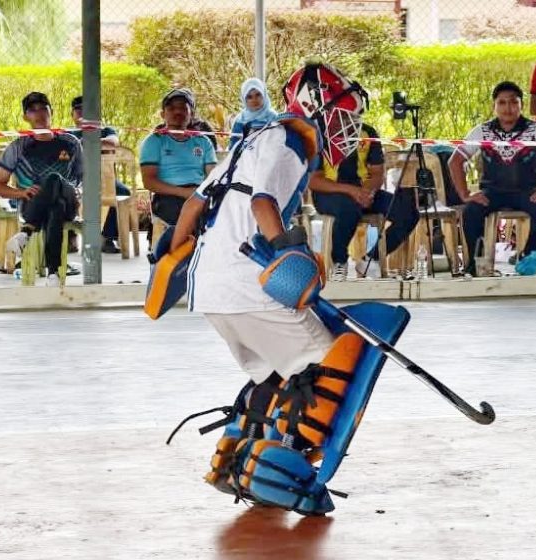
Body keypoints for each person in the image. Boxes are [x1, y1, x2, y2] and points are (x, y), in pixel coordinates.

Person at [165, 63, 402, 515]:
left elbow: (197, 201)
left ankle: (234, 458)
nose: (348, 130)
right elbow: (262, 201)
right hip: (244, 283)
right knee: (332, 363)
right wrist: (282, 250)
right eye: (343, 119)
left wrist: (171, 257)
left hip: (211, 288)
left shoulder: (254, 137)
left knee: (275, 375)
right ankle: (279, 471)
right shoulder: (292, 141)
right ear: (314, 106)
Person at [449, 81, 536, 276]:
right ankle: (476, 264)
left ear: (521, 105)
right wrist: (465, 194)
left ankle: (528, 260)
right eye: (502, 103)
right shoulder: (482, 131)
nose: (508, 108)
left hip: (527, 191)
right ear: (494, 106)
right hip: (492, 192)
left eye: (513, 102)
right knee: (471, 211)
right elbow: (454, 161)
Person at [309, 121, 420, 281]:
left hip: (363, 191)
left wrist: (367, 192)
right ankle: (339, 262)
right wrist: (352, 191)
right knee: (348, 208)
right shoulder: (318, 132)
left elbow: (377, 173)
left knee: (408, 211)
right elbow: (314, 181)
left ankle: (370, 260)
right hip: (329, 193)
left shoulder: (367, 132)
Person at [0, 91, 83, 285]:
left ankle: (26, 232)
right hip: (32, 204)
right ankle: (53, 273)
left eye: (43, 108)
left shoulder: (70, 142)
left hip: (71, 201)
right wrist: (20, 192)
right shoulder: (19, 146)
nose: (39, 114)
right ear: (26, 117)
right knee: (55, 207)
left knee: (54, 181)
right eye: (33, 110)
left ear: (51, 111)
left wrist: (78, 190)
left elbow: (82, 177)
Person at [140, 88, 218, 231]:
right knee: (185, 214)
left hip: (198, 194)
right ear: (163, 114)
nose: (178, 112)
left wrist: (201, 193)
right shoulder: (154, 141)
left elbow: (213, 176)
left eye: (183, 108)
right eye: (171, 108)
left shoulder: (203, 142)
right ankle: (180, 250)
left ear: (191, 114)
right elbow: (149, 181)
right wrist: (184, 192)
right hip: (168, 197)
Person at [69, 95, 129, 254]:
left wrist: (85, 141)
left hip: (105, 179)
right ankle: (69, 236)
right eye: (79, 110)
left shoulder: (106, 130)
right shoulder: (68, 133)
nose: (84, 113)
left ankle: (107, 237)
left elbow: (113, 143)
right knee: (64, 190)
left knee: (121, 191)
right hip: (77, 180)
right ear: (72, 115)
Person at [229, 77, 277, 149]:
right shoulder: (240, 120)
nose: (254, 100)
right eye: (249, 97)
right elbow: (233, 148)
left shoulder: (273, 117)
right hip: (245, 159)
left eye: (258, 95)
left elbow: (279, 143)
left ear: (264, 95)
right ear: (244, 99)